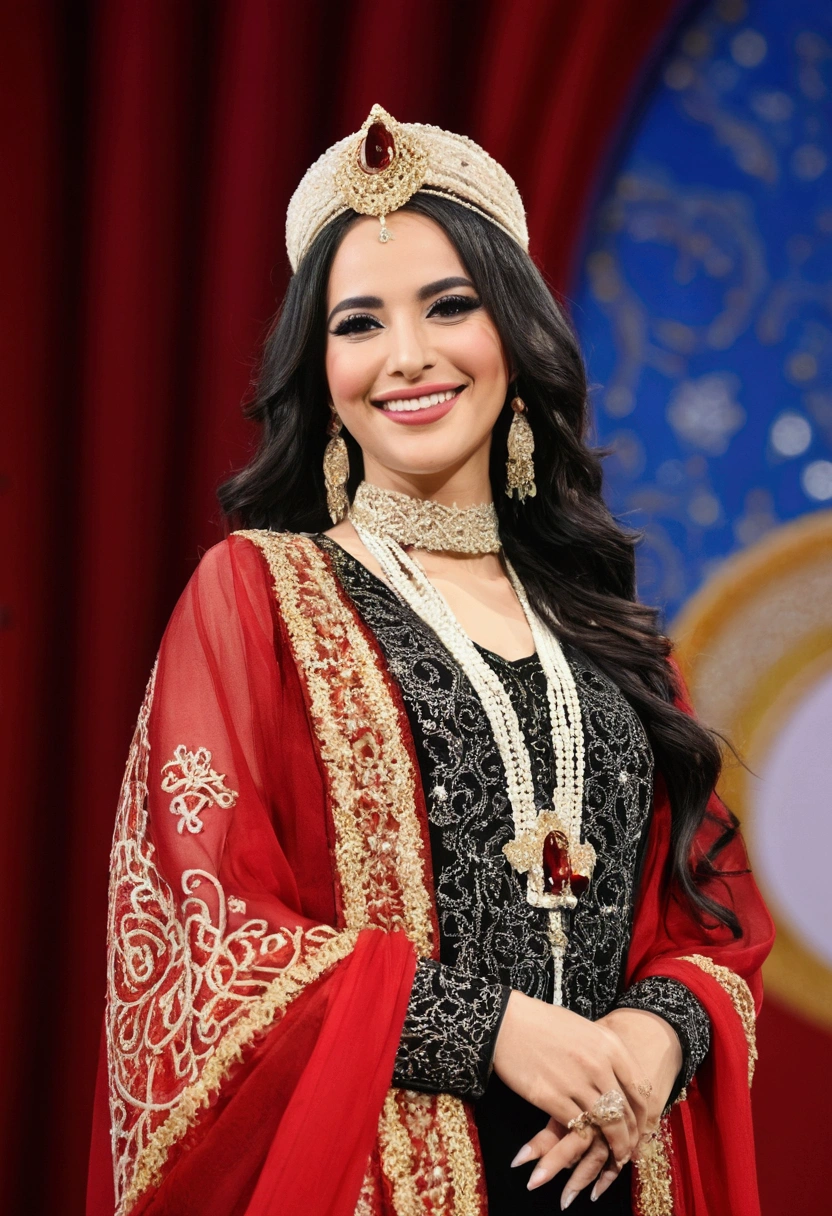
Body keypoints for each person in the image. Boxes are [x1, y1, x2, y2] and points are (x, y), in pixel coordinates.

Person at [86, 106, 774, 1216]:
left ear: (511, 331)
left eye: (448, 306)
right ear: (321, 367)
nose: (406, 356)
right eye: (359, 323)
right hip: (379, 1180)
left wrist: (659, 1029)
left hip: (617, 1172)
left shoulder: (606, 630)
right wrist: (492, 1026)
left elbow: (714, 918)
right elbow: (208, 938)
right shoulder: (260, 595)